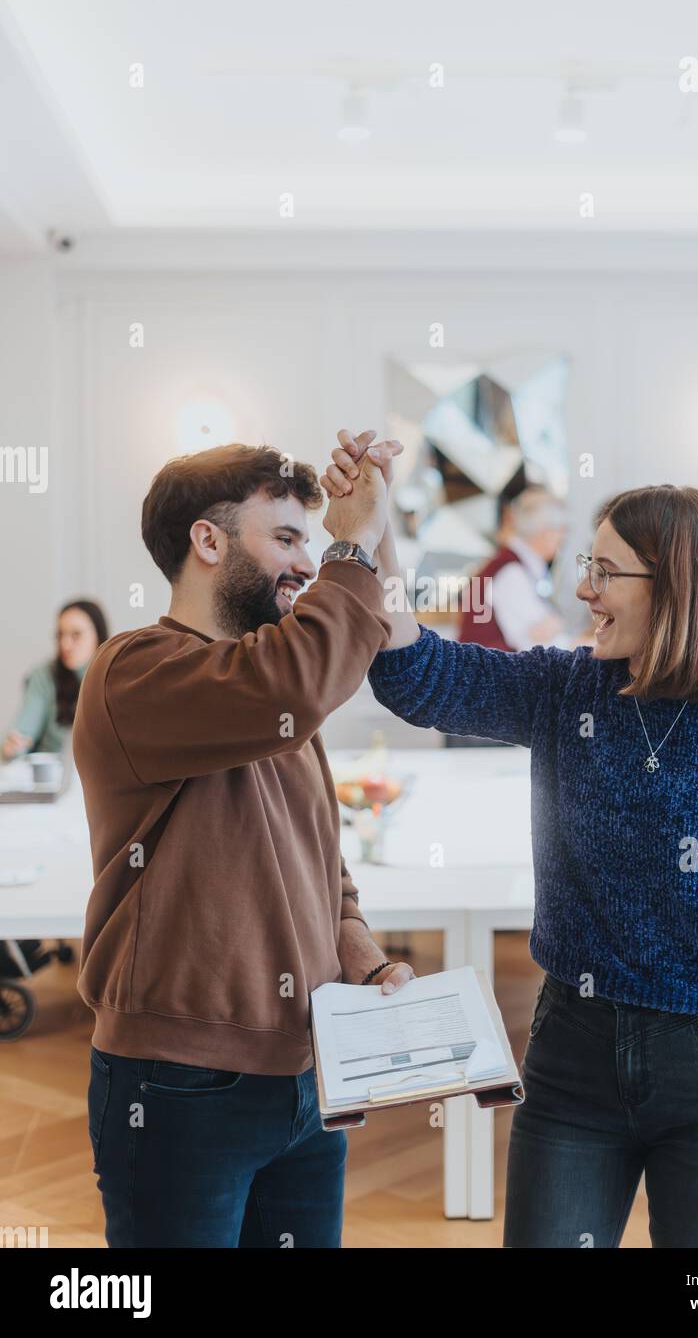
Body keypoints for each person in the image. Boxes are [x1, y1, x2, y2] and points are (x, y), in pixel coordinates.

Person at [321, 431, 698, 1249]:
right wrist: (372, 532)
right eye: (584, 564)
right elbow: (413, 674)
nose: (582, 588)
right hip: (572, 1059)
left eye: (604, 571)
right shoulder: (563, 688)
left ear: (677, 588)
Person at [75, 441, 413, 1248]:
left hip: (305, 1077)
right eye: (287, 539)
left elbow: (321, 873)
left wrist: (367, 959)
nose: (306, 563)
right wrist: (348, 544)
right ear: (208, 542)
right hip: (179, 1085)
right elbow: (296, 678)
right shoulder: (135, 670)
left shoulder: (276, 691)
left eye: (310, 539)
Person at [457, 487, 582, 651]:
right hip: (488, 674)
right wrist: (583, 646)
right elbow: (534, 645)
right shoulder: (511, 573)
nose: (563, 537)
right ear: (545, 532)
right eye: (562, 529)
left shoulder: (513, 566)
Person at [2, 599, 108, 760]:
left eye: (76, 635)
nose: (65, 644)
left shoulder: (115, 675)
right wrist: (12, 747)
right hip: (54, 775)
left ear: (98, 636)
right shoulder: (43, 675)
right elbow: (24, 729)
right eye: (60, 635)